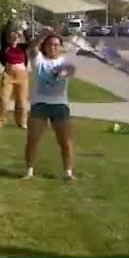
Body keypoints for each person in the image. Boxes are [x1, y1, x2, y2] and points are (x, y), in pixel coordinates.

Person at [23, 29, 76, 180]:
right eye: (50, 44)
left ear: (60, 47)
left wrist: (61, 73)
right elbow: (32, 47)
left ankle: (68, 173)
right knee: (33, 139)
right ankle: (29, 171)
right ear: (44, 46)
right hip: (40, 105)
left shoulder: (64, 62)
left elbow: (69, 70)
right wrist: (42, 34)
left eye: (56, 45)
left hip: (60, 106)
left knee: (65, 140)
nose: (53, 47)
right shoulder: (38, 60)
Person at [0, 29, 30, 129]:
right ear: (8, 39)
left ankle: (22, 122)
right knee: (3, 99)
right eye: (11, 37)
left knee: (22, 101)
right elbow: (2, 38)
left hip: (22, 76)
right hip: (9, 75)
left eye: (16, 36)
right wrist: (7, 25)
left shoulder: (22, 47)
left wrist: (25, 31)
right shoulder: (6, 48)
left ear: (19, 38)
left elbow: (31, 42)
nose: (14, 38)